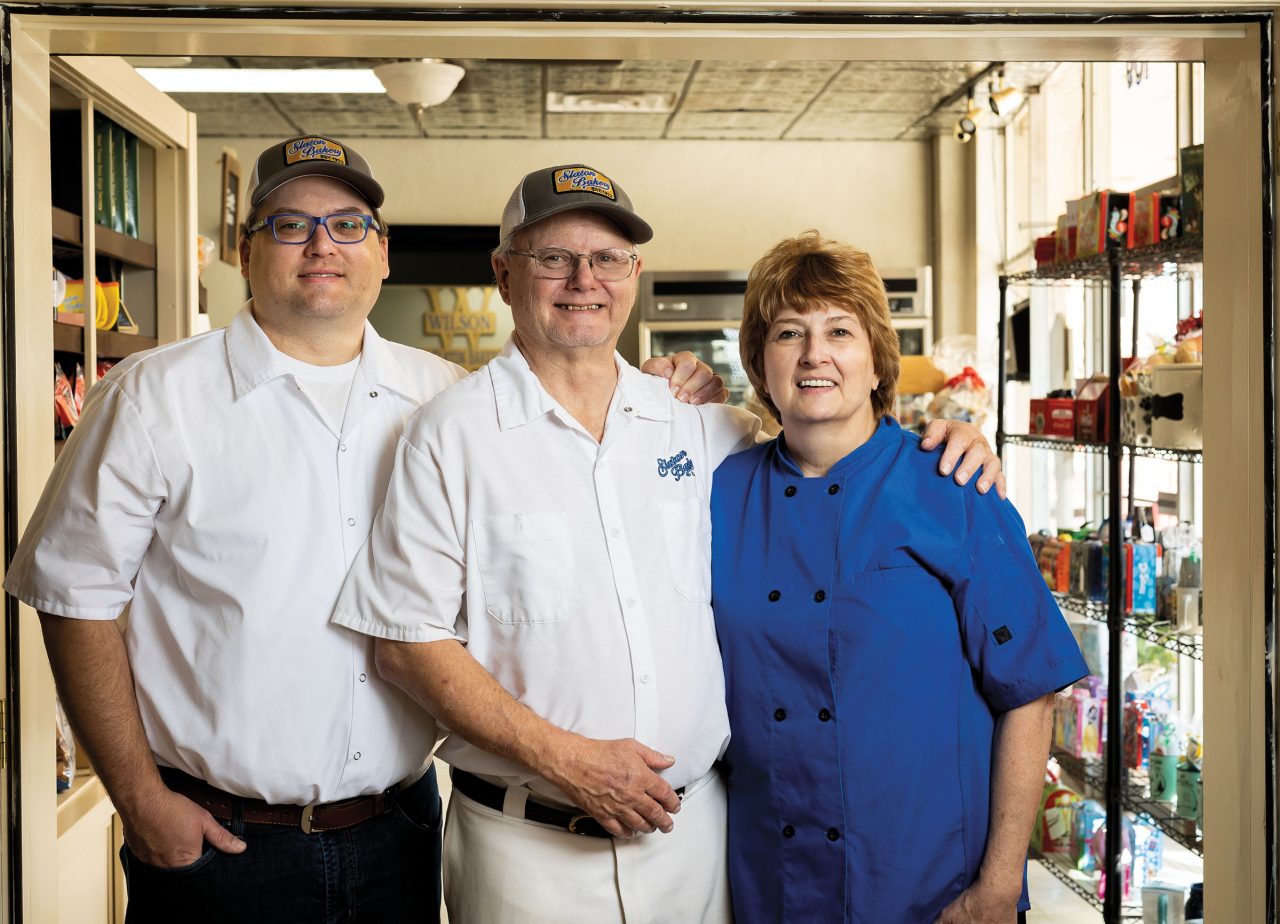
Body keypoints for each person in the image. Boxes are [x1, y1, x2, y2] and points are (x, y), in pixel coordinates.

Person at [3, 134, 722, 924]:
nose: (322, 245)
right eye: (290, 226)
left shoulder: (447, 399)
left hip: (398, 833)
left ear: (383, 254)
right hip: (220, 841)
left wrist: (670, 392)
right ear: (247, 253)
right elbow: (73, 597)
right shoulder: (155, 398)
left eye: (348, 225)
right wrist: (139, 800)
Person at [331, 166, 1005, 923]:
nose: (584, 278)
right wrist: (567, 760)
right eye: (554, 257)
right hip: (528, 857)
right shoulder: (448, 436)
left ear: (633, 274)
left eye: (608, 258)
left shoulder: (706, 429)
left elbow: (832, 449)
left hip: (699, 849)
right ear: (504, 273)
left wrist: (946, 443)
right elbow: (407, 644)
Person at [710, 231, 1090, 924]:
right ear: (760, 365)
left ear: (878, 362)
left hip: (932, 885)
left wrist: (999, 888)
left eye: (839, 331)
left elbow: (1030, 693)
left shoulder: (953, 484)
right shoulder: (719, 492)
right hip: (775, 883)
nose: (814, 354)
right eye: (789, 333)